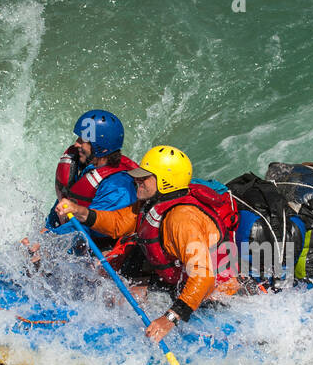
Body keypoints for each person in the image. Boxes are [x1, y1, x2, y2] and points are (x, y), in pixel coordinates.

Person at [67, 145, 239, 342]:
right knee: (113, 288)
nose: (136, 179)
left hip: (214, 292)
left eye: (144, 177)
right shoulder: (151, 204)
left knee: (126, 297)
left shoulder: (182, 219)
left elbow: (204, 275)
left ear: (166, 181)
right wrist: (80, 211)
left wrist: (168, 319)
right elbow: (119, 223)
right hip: (178, 279)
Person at [47, 109, 138, 240]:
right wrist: (45, 231)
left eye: (83, 139)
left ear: (100, 146)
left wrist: (48, 240)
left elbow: (86, 228)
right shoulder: (88, 168)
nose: (76, 143)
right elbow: (67, 202)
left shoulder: (118, 187)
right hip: (71, 239)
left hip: (102, 247)